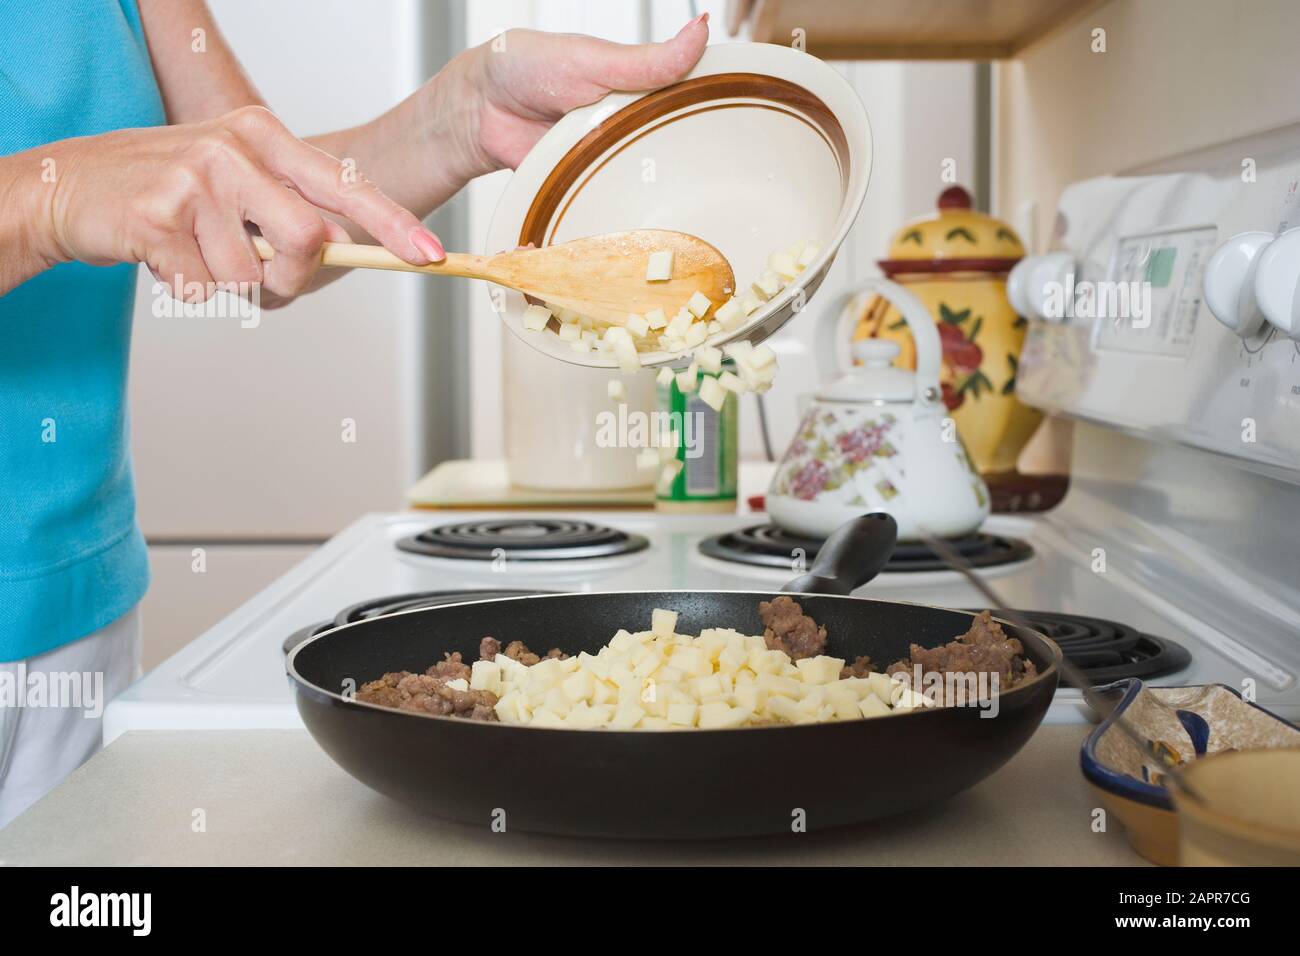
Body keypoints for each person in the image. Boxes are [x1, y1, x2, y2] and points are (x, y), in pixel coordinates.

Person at [0, 0, 709, 826]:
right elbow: (71, 195)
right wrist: (38, 203)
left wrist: (456, 120)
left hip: (77, 614)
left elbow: (264, 231)